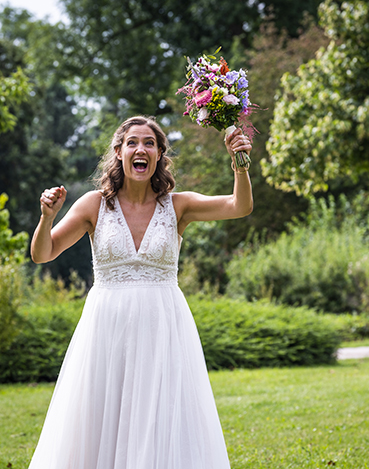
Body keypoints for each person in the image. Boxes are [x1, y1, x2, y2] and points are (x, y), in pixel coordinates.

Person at [28, 115, 252, 469]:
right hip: (106, 330)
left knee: (161, 416)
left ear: (160, 154)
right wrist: (46, 217)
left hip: (163, 327)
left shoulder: (178, 206)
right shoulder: (93, 205)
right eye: (132, 142)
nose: (140, 149)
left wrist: (239, 163)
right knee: (102, 417)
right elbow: (42, 254)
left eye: (149, 143)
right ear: (118, 152)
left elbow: (239, 207)